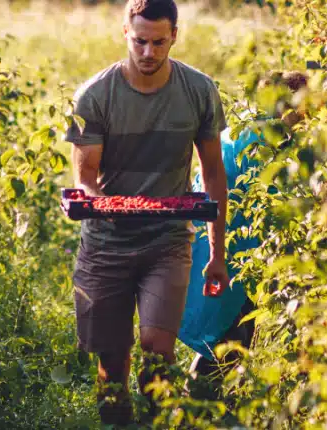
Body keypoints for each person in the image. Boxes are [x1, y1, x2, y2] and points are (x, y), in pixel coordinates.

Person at [64, 0, 230, 425]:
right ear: (125, 33)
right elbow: (87, 179)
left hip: (167, 240)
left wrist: (217, 253)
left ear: (175, 35)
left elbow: (213, 172)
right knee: (112, 368)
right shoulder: (95, 96)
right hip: (107, 243)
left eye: (159, 42)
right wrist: (102, 203)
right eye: (140, 41)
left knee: (158, 352)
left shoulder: (198, 91)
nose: (149, 52)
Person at [178, 70, 309, 400]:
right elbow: (269, 199)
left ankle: (205, 409)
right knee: (224, 339)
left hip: (218, 244)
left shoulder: (250, 127)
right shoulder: (263, 141)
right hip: (228, 249)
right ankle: (192, 411)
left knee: (230, 335)